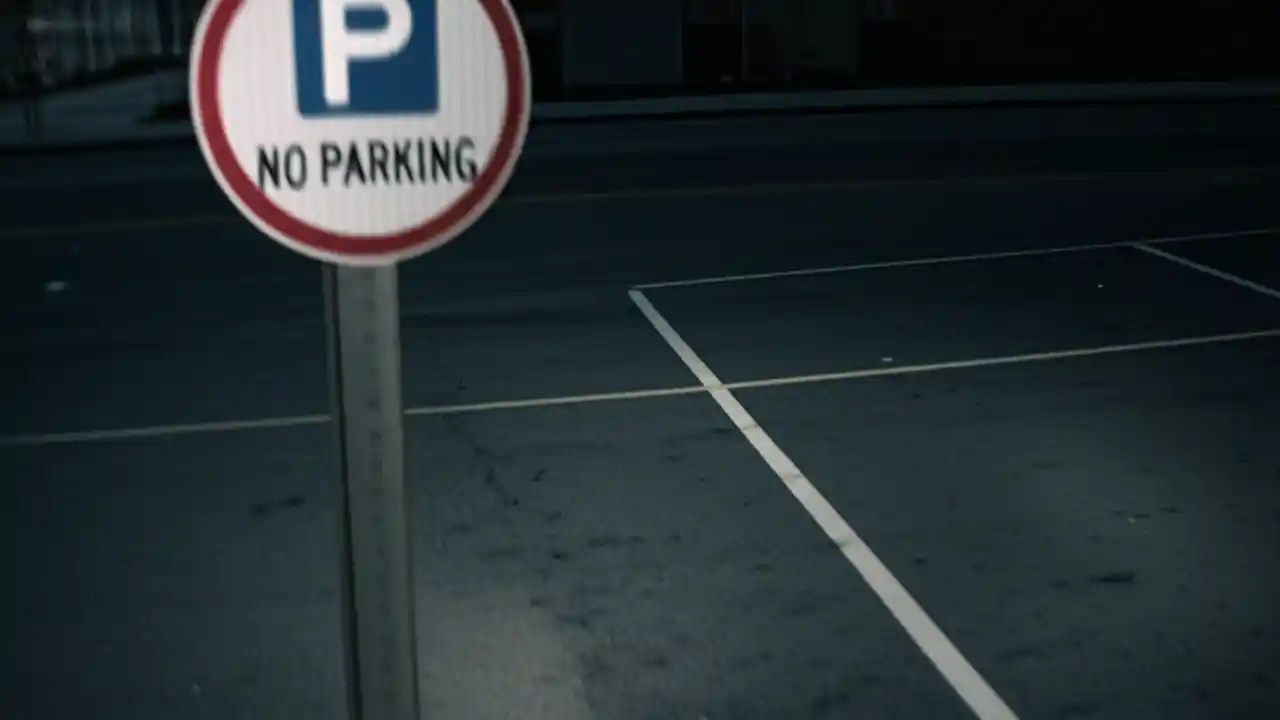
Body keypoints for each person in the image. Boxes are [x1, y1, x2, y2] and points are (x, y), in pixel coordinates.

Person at [14, 21, 44, 136]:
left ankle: (34, 122)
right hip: (29, 72)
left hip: (29, 72)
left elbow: (33, 58)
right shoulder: (27, 45)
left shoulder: (25, 46)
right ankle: (34, 122)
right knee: (31, 100)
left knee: (30, 100)